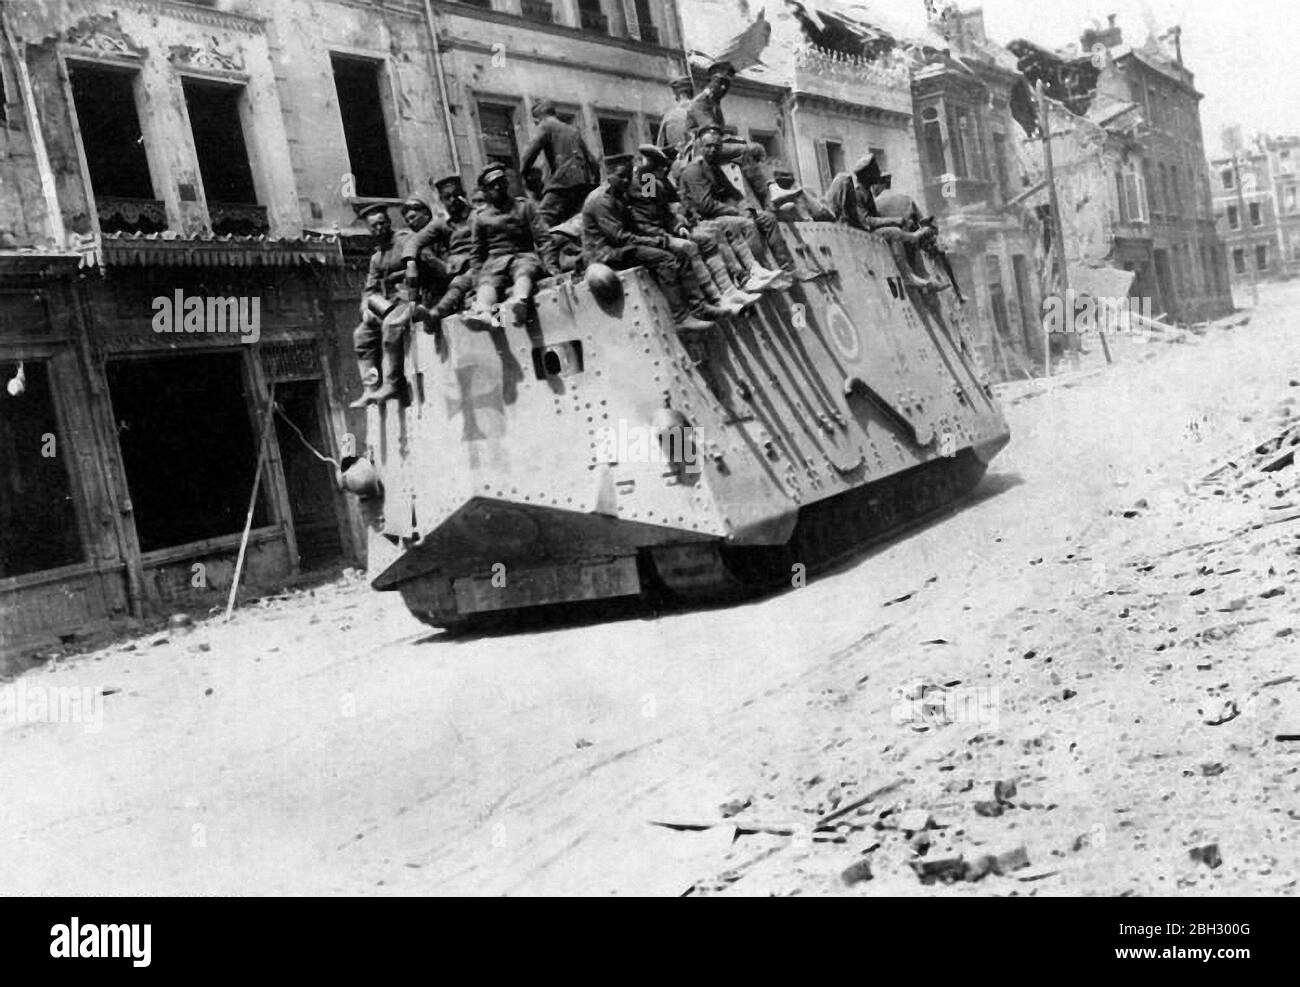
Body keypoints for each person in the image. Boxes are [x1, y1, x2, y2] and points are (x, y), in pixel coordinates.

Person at [581, 153, 720, 331]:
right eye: (657, 167)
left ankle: (700, 307)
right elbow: (631, 229)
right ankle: (683, 316)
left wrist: (675, 226)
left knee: (684, 250)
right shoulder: (626, 190)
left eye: (664, 167)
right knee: (671, 255)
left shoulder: (644, 184)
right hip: (607, 252)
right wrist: (660, 238)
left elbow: (660, 212)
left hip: (641, 236)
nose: (662, 171)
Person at [629, 144, 759, 313]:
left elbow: (664, 212)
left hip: (666, 232)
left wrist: (679, 225)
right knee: (690, 247)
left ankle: (729, 291)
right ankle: (715, 299)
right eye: (659, 168)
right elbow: (646, 221)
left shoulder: (652, 184)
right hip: (652, 237)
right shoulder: (644, 184)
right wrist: (669, 234)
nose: (663, 172)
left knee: (707, 238)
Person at [677, 126, 789, 291]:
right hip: (706, 219)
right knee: (748, 225)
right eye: (708, 146)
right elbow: (706, 204)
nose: (713, 149)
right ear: (701, 147)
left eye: (716, 146)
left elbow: (733, 192)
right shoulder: (695, 170)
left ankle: (786, 268)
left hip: (721, 214)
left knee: (768, 219)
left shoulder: (713, 167)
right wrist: (736, 212)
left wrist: (746, 207)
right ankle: (757, 271)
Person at [683, 62, 800, 212]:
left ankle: (772, 189)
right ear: (711, 82)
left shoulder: (714, 103)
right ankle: (768, 197)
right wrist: (739, 142)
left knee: (756, 149)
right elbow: (711, 135)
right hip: (703, 150)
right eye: (720, 83)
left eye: (727, 85)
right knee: (744, 151)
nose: (724, 88)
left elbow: (718, 134)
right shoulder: (700, 103)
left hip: (714, 145)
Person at [463, 163, 550, 329]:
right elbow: (477, 253)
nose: (497, 187)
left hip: (523, 255)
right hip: (495, 262)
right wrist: (476, 282)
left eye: (501, 182)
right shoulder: (481, 218)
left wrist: (550, 266)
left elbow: (543, 238)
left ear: (507, 183)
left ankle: (520, 302)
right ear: (486, 191)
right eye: (492, 185)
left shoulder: (524, 207)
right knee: (487, 282)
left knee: (524, 271)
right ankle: (485, 315)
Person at [351, 203, 418, 407]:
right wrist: (366, 310)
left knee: (391, 325)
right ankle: (370, 388)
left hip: (407, 296)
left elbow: (414, 268)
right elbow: (370, 288)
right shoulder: (376, 257)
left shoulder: (404, 241)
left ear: (389, 223)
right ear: (369, 230)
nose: (379, 229)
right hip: (388, 302)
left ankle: (392, 383)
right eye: (374, 227)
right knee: (361, 335)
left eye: (382, 224)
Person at [402, 175, 479, 330]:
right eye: (447, 197)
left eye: (456, 195)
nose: (453, 200)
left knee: (494, 308)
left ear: (463, 195)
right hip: (459, 270)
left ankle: (436, 314)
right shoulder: (442, 224)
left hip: (481, 264)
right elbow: (415, 241)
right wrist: (410, 260)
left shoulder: (478, 216)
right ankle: (422, 310)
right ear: (442, 201)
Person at [520, 100, 601, 229]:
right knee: (573, 222)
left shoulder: (546, 125)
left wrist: (524, 173)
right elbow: (593, 162)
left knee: (541, 221)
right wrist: (595, 185)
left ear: (537, 119)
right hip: (583, 184)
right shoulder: (573, 130)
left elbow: (530, 153)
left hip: (563, 182)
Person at [656, 76, 696, 153]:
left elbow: (659, 145)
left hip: (676, 159)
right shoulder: (700, 108)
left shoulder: (669, 115)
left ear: (679, 94)